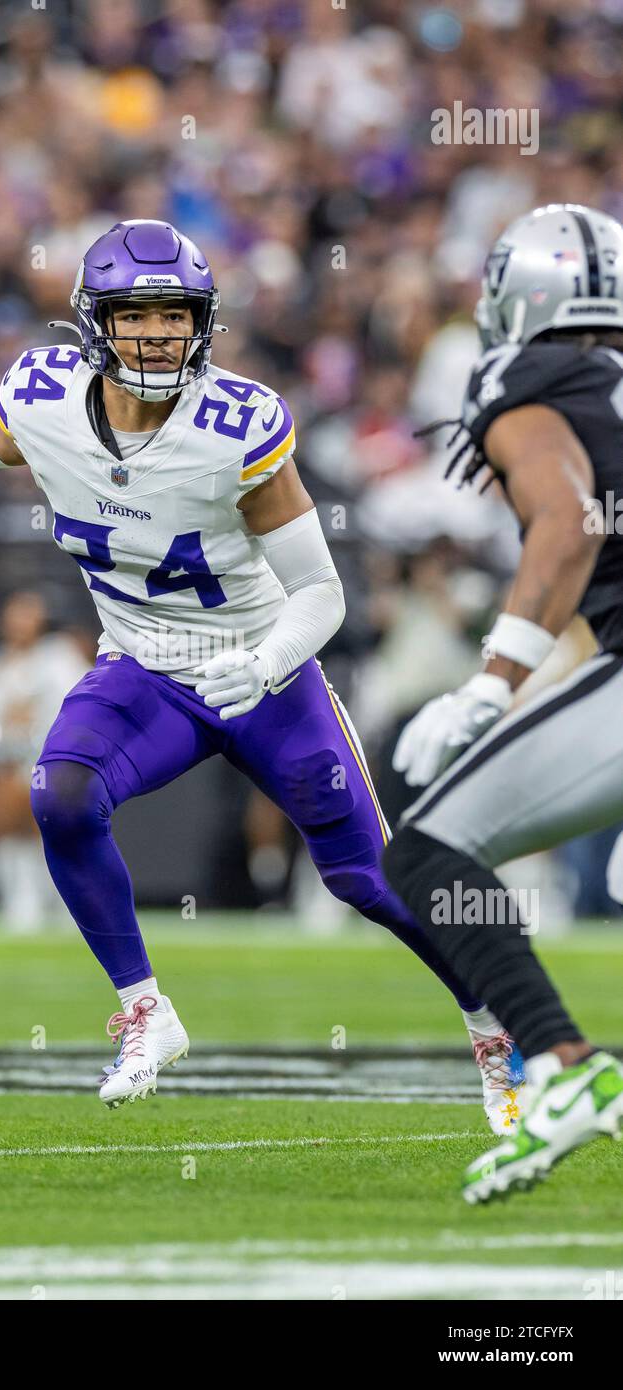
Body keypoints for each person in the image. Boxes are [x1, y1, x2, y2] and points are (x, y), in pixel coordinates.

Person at [0, 218, 518, 1123]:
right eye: (135, 316)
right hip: (145, 665)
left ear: (203, 323)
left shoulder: (235, 428)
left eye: (176, 316)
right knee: (60, 795)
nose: (157, 335)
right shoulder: (47, 399)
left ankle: (496, 1028)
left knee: (367, 881)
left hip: (265, 668)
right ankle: (147, 1010)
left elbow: (322, 594)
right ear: (94, 321)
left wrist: (265, 664)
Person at [384, 204, 623, 1202]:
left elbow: (565, 524)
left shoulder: (523, 376)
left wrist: (494, 679)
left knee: (426, 849)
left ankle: (564, 1072)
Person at [0, 589, 90, 931]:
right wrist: (3, 733)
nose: (20, 623)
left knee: (50, 824)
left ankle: (62, 899)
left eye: (28, 615)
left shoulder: (60, 657)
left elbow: (81, 701)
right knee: (2, 819)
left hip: (53, 759)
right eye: (14, 614)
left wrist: (37, 724)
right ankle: (18, 897)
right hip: (8, 761)